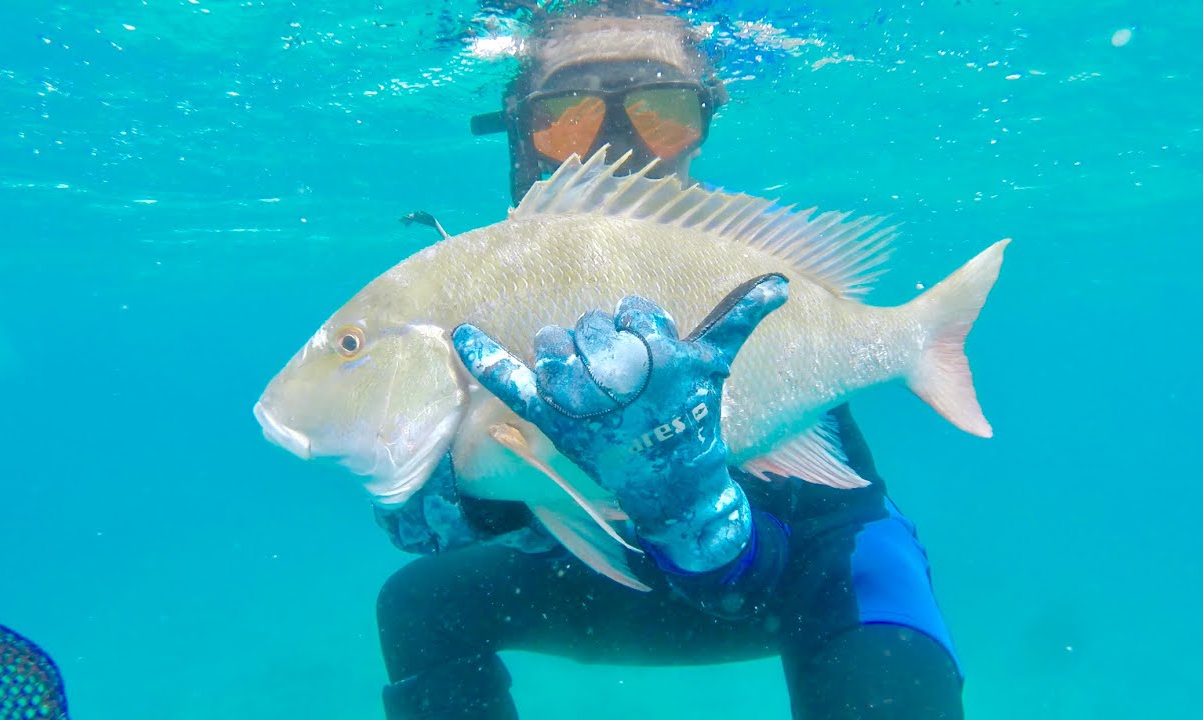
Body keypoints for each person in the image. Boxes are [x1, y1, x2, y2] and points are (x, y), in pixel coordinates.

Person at [374, 5, 964, 718]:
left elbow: (825, 511)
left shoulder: (724, 263)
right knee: (417, 605)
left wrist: (698, 521)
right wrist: (464, 490)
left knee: (874, 577)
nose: (617, 149)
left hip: (798, 572)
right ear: (521, 132)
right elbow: (427, 509)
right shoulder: (472, 282)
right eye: (569, 116)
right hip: (619, 574)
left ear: (705, 119)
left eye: (662, 112)